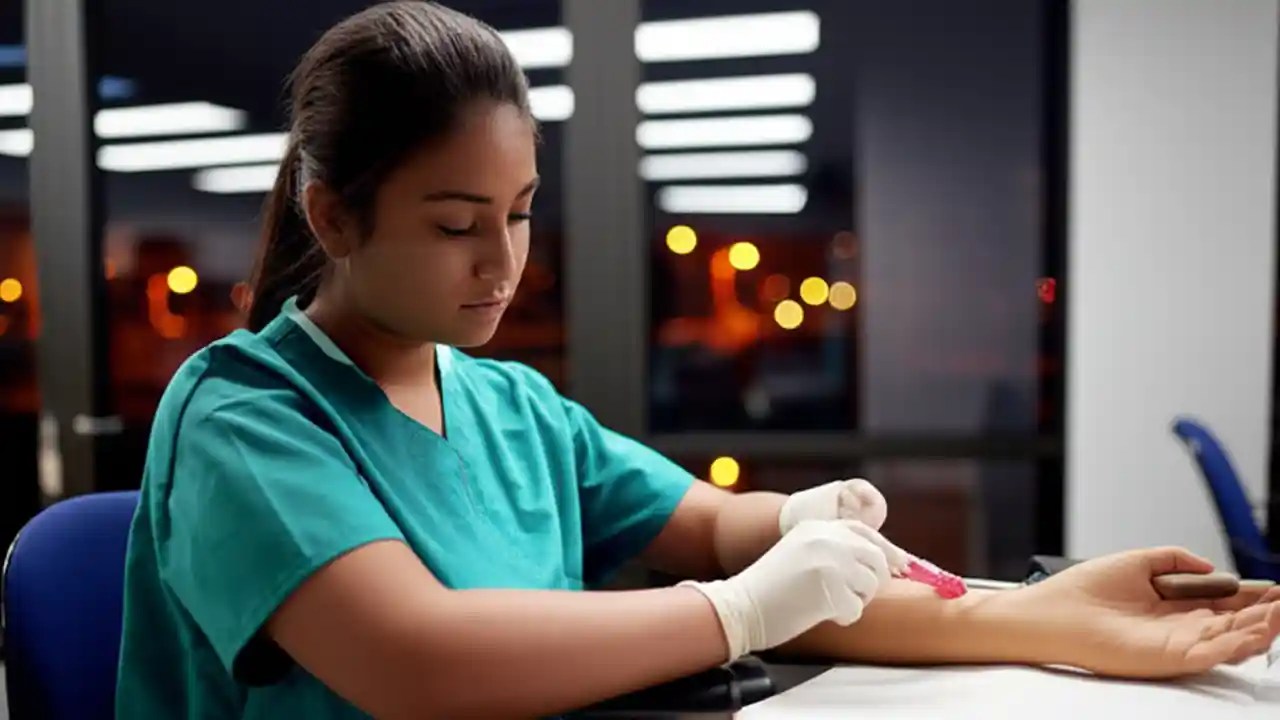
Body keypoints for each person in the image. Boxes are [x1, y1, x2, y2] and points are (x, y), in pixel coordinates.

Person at [115, 3, 1280, 719]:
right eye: (456, 223)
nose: (503, 262)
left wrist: (1033, 611)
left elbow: (722, 533)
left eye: (521, 214)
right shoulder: (243, 415)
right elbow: (418, 663)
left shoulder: (509, 405)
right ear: (332, 216)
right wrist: (735, 612)